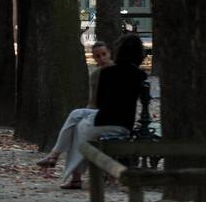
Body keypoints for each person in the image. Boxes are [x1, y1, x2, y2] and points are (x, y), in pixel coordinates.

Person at [59, 34, 151, 189]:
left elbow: (100, 103)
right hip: (125, 124)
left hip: (104, 120)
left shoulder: (107, 73)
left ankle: (75, 176)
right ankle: (76, 173)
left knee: (80, 128)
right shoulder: (140, 74)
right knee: (79, 121)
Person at [35, 41, 112, 170]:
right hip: (96, 113)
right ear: (94, 58)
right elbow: (93, 101)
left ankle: (56, 157)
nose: (102, 59)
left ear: (110, 53)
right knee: (77, 127)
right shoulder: (95, 76)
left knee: (78, 126)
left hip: (108, 116)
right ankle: (73, 175)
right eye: (98, 56)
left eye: (104, 54)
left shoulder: (116, 72)